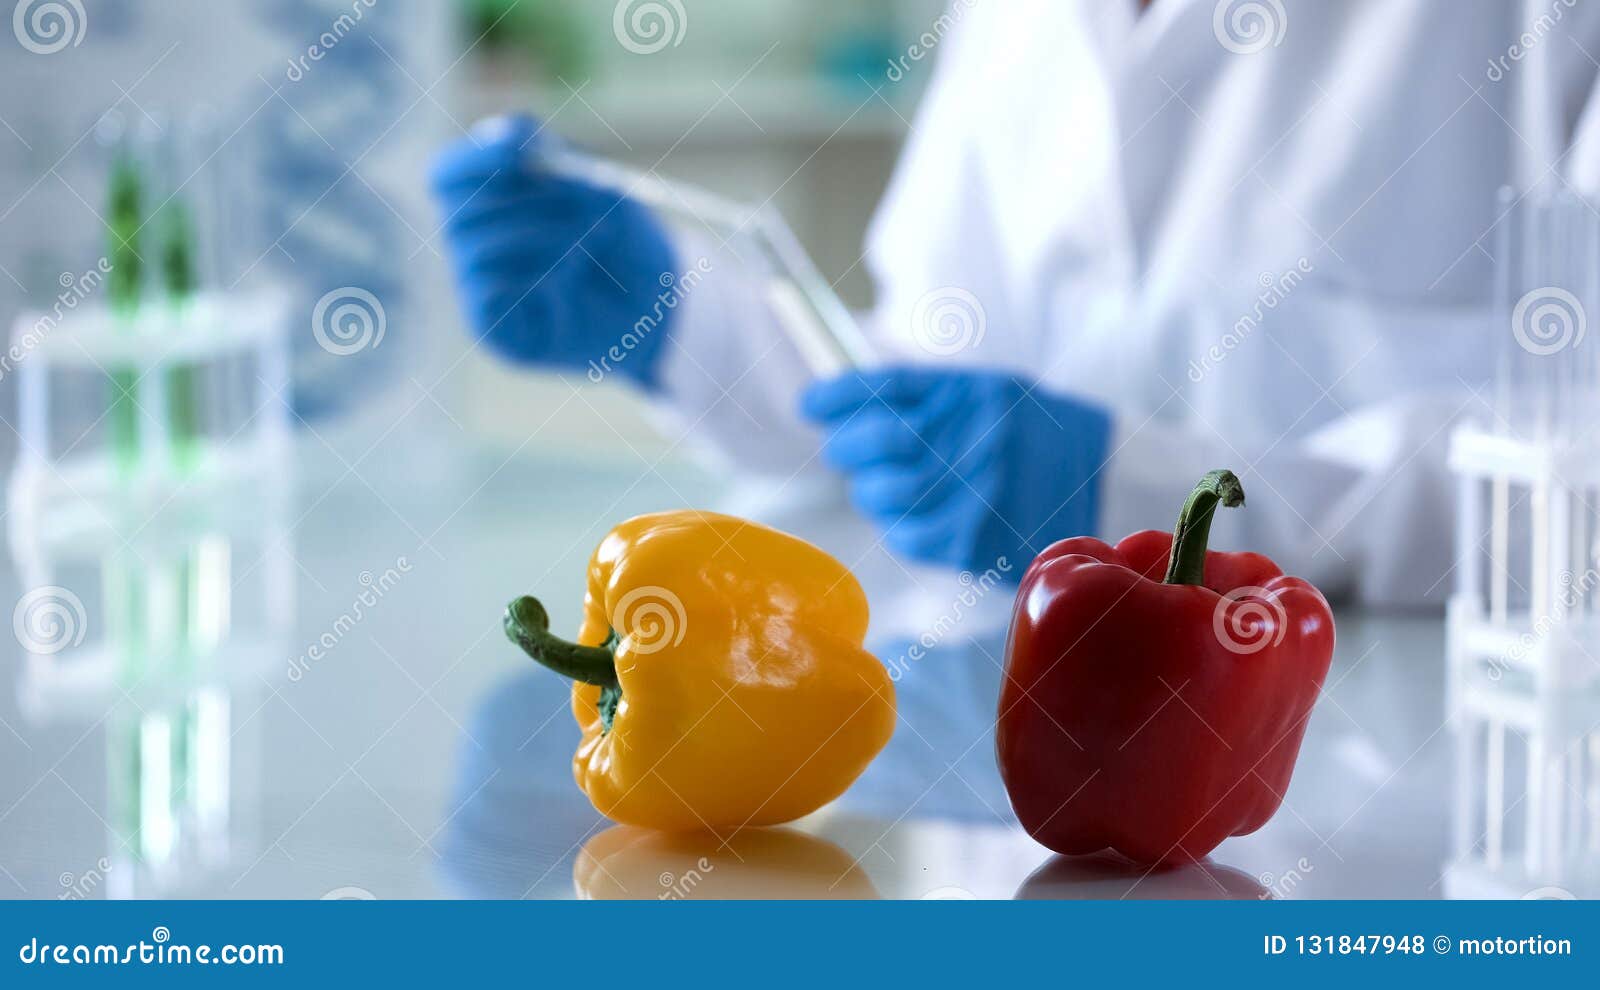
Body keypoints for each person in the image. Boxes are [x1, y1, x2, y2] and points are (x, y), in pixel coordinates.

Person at [430, 0, 1600, 609]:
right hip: (1014, 781)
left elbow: (1578, 489)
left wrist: (1142, 503)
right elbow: (918, 408)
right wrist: (672, 317)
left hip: (1405, 816)